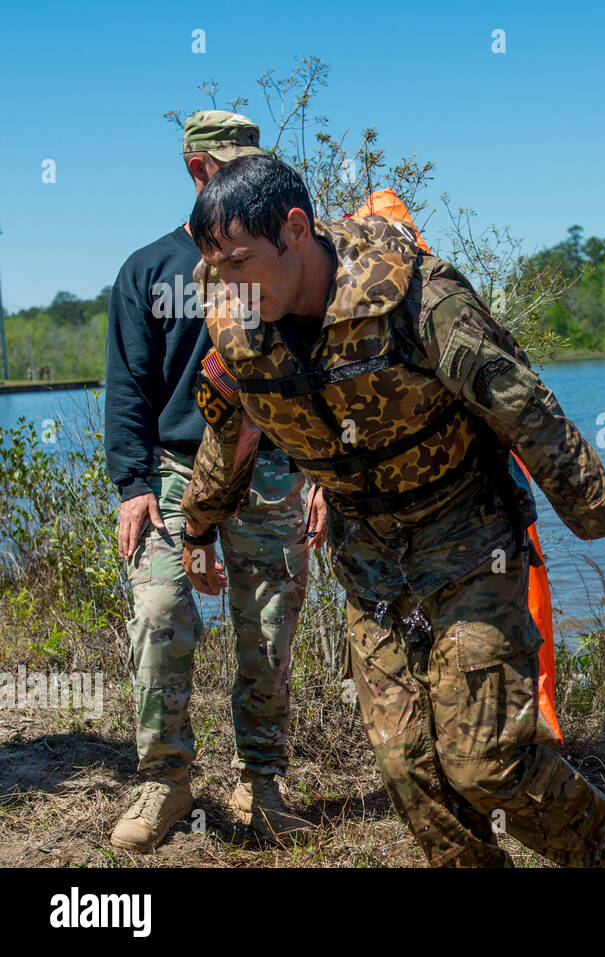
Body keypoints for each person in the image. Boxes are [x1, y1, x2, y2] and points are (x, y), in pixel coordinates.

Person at [177, 153, 605, 867]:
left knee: (488, 765)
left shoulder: (418, 297)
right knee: (411, 774)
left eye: (239, 262)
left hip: (469, 536)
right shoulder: (237, 316)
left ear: (295, 229)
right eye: (216, 268)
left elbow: (533, 421)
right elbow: (230, 433)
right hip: (369, 559)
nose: (230, 286)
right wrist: (196, 528)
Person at [106, 112, 326, 852]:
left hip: (270, 470)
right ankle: (165, 780)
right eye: (224, 167)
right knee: (163, 610)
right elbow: (128, 388)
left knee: (269, 626)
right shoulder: (147, 269)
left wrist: (321, 472)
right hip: (172, 474)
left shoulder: (276, 257)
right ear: (197, 170)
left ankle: (262, 782)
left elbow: (319, 375)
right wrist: (132, 485)